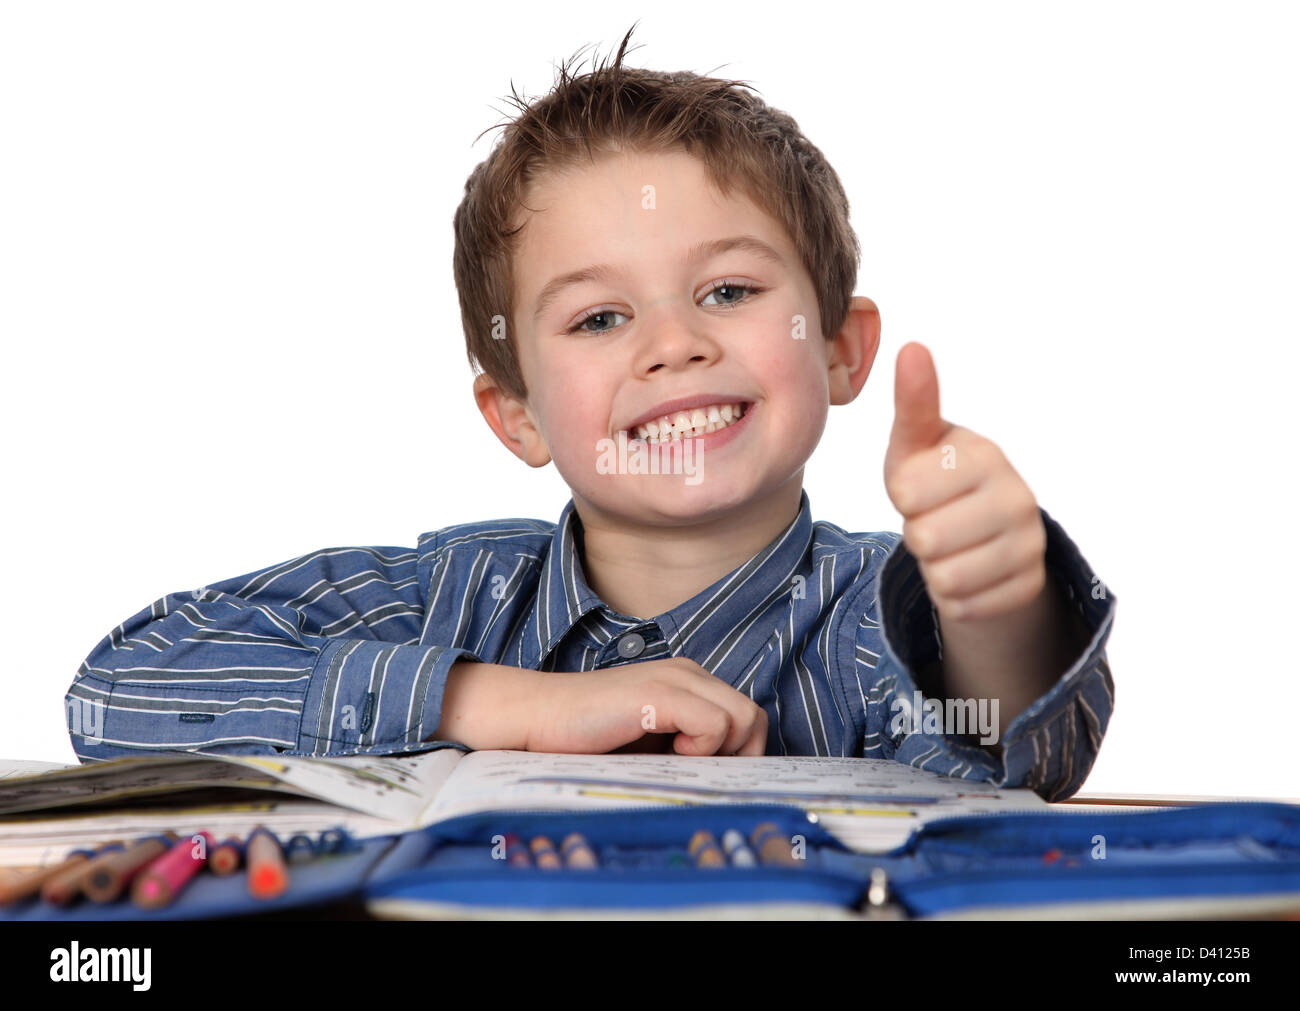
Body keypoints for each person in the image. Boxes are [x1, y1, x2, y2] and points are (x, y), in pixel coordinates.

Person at [66, 26, 1114, 801]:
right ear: (516, 415)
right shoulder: (451, 598)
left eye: (728, 293)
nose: (672, 345)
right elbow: (118, 692)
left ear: (838, 350)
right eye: (601, 316)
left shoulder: (863, 619)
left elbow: (1027, 750)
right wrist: (512, 709)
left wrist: (993, 609)